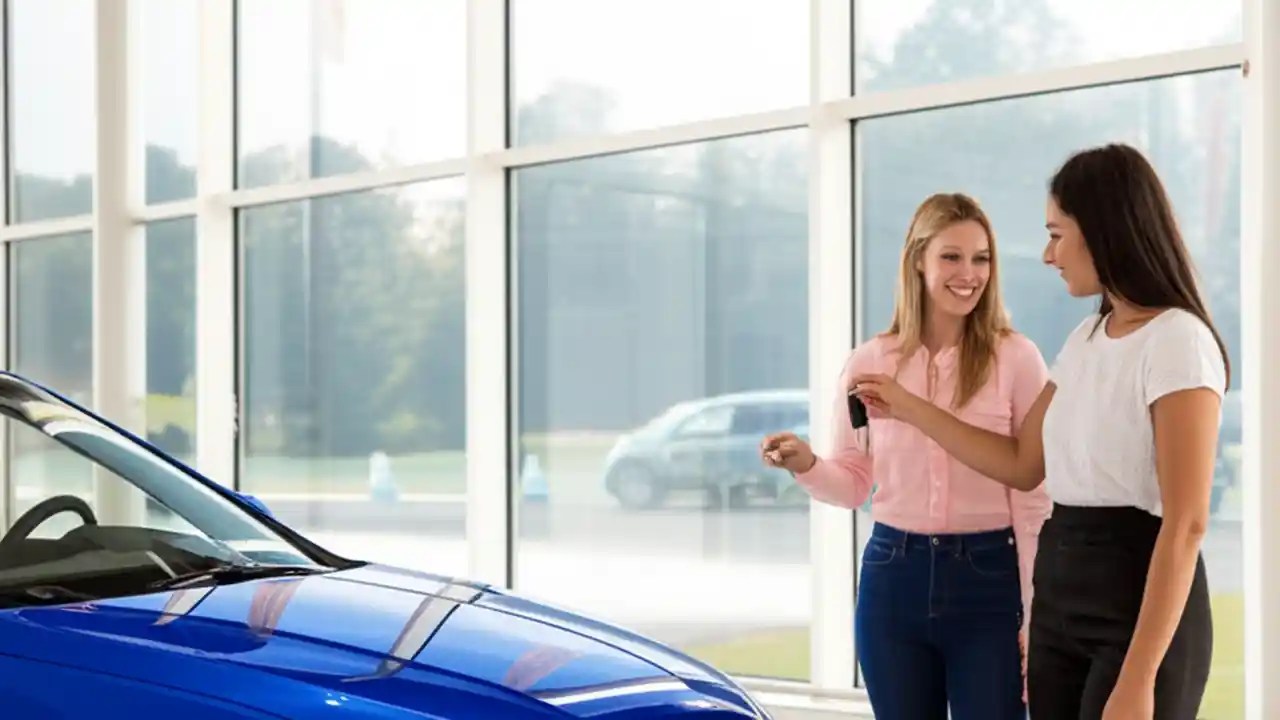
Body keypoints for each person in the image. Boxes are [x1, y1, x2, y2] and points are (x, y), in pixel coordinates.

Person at [851, 143, 1228, 720]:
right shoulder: (1086, 338)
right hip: (1062, 597)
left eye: (1057, 234)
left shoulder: (1177, 340)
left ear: (1103, 230)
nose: (1048, 255)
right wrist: (906, 405)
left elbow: (1187, 522)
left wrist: (1139, 678)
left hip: (1134, 599)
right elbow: (1024, 462)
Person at [761, 192, 1052, 719]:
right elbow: (853, 482)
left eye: (981, 258)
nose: (970, 273)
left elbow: (1033, 496)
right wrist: (806, 464)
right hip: (893, 576)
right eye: (952, 256)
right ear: (917, 259)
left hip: (989, 583)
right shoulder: (869, 362)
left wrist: (1036, 612)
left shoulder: (1017, 358)